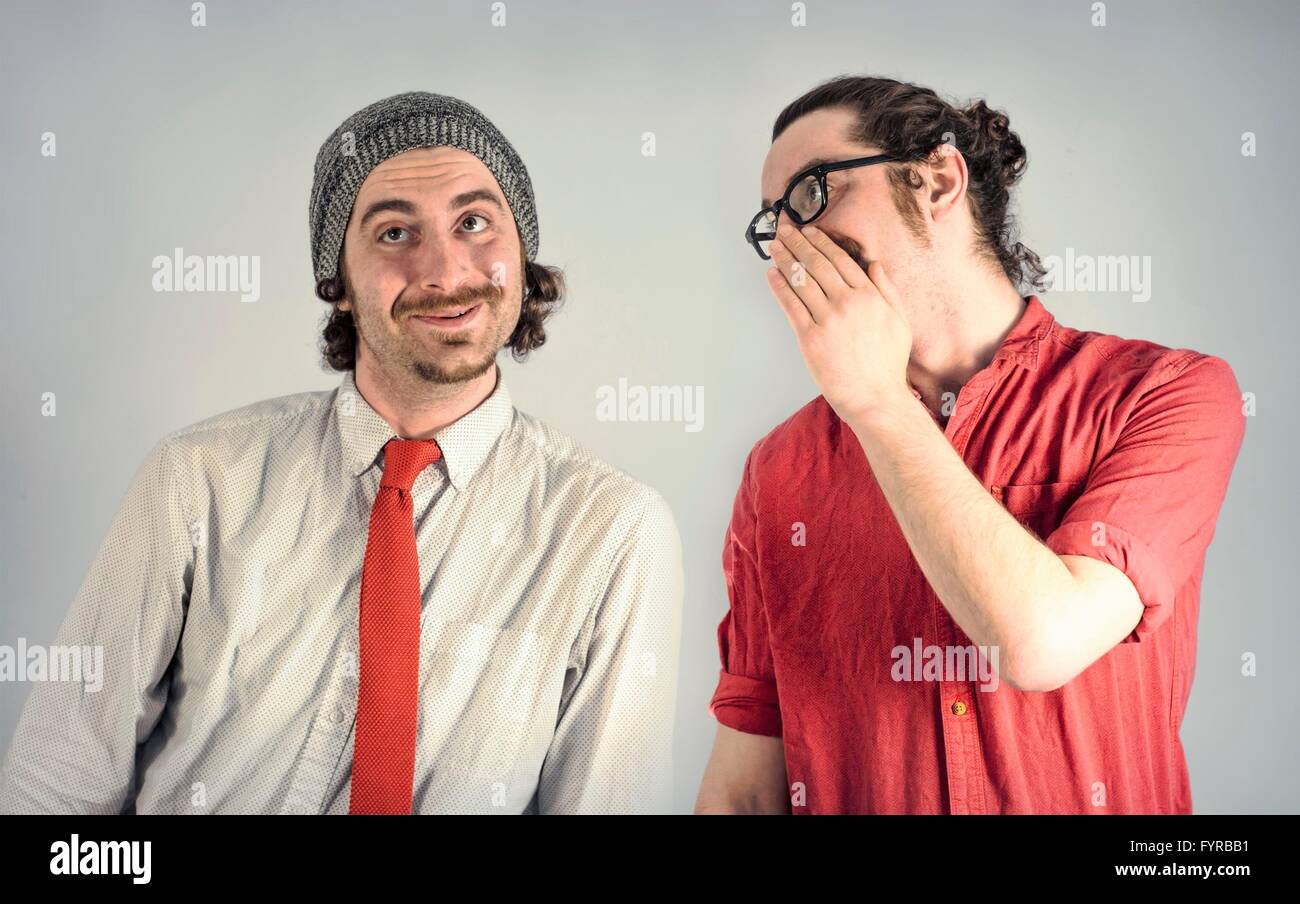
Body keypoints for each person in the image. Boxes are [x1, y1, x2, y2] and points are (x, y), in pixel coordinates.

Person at [1, 91, 683, 815]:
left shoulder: (613, 533)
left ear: (521, 252)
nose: (445, 271)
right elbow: (54, 790)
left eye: (475, 222)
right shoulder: (196, 482)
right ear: (340, 285)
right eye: (394, 233)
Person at [695, 75, 1245, 814]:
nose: (792, 243)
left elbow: (1041, 643)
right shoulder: (778, 470)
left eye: (812, 193)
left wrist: (879, 404)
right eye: (774, 224)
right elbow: (746, 789)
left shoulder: (1164, 394)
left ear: (937, 179)